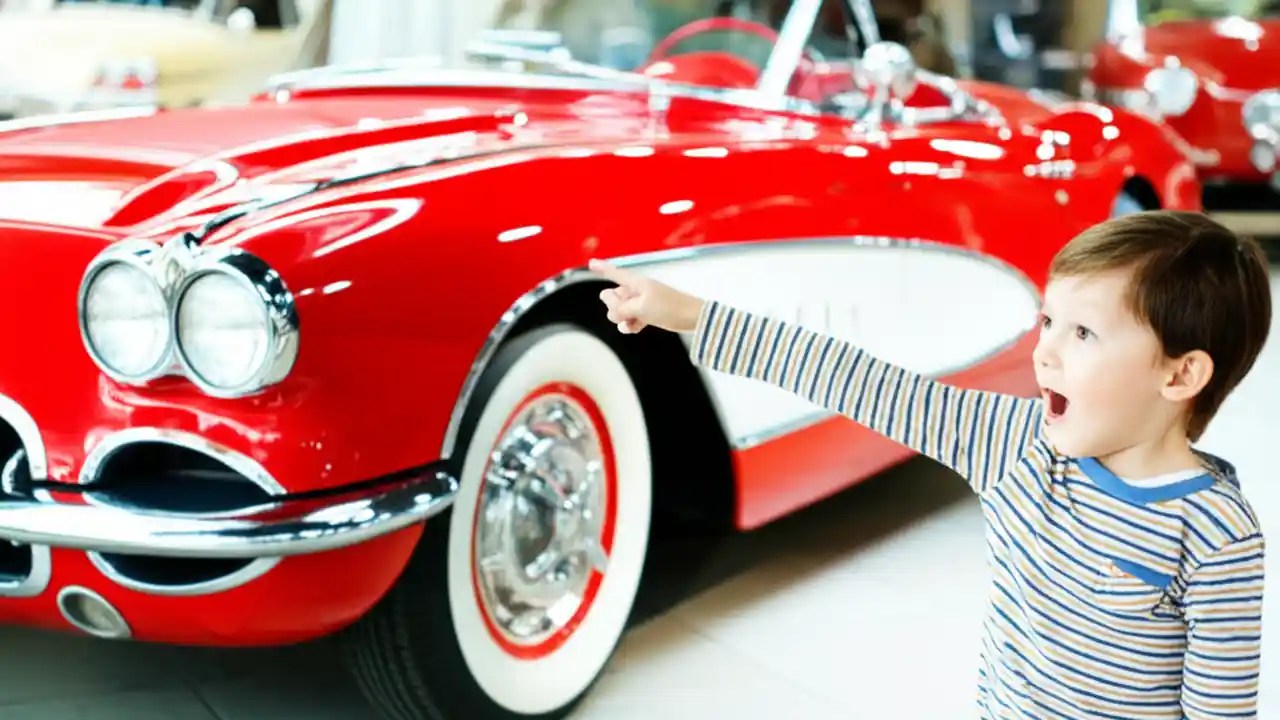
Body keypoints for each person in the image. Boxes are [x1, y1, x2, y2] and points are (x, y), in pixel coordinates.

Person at [590, 210, 1270, 719]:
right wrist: (687, 314)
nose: (1046, 353)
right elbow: (853, 379)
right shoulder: (1013, 445)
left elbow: (1219, 711)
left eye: (1083, 333)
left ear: (1181, 375)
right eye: (1047, 322)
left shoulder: (1216, 535)